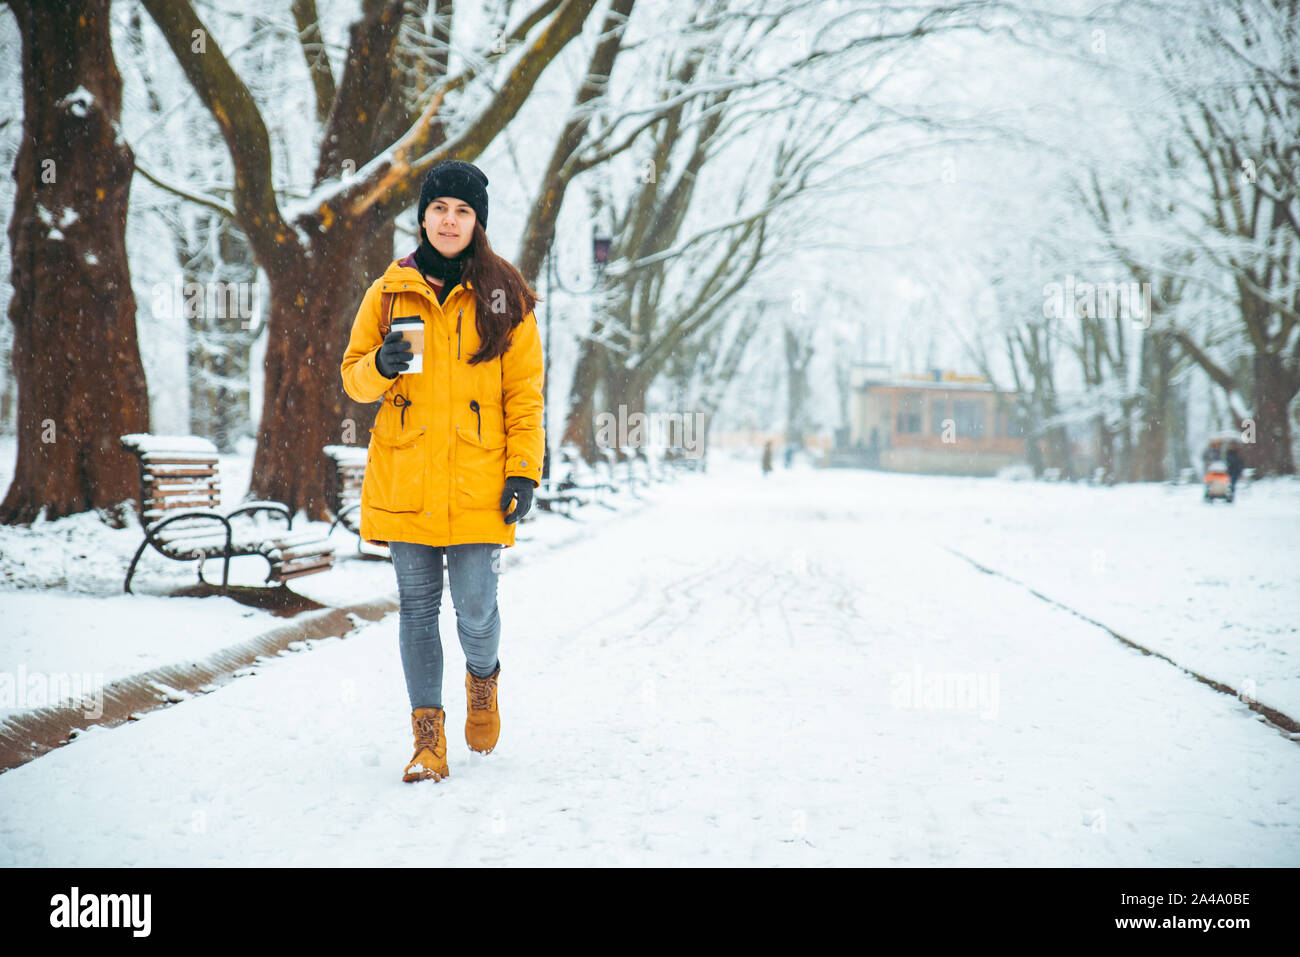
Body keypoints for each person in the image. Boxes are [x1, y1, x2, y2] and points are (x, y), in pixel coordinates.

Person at [340, 160, 544, 784]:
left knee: (477, 605)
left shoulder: (506, 294)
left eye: (461, 211)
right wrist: (382, 362)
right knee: (418, 608)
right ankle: (428, 738)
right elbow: (353, 379)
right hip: (408, 475)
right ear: (422, 217)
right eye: (438, 210)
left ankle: (483, 681)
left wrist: (523, 471)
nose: (448, 221)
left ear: (476, 221)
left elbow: (524, 396)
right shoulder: (389, 292)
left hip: (480, 479)